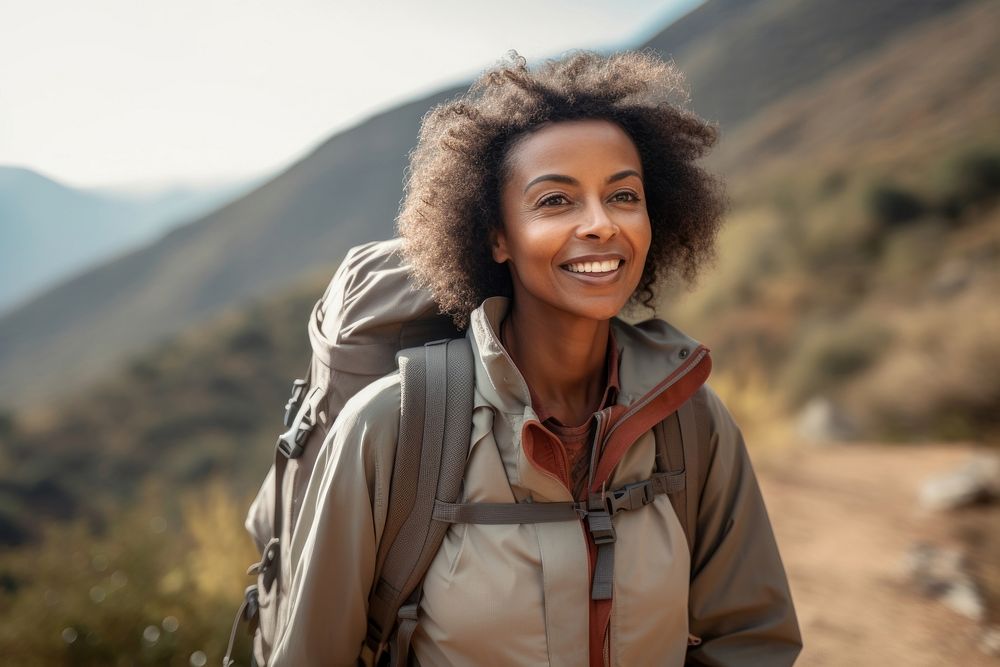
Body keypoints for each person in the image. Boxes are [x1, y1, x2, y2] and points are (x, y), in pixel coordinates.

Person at [270, 50, 802, 666]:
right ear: (497, 236)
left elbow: (751, 641)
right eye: (556, 201)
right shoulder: (392, 427)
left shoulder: (689, 419)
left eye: (623, 195)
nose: (601, 224)